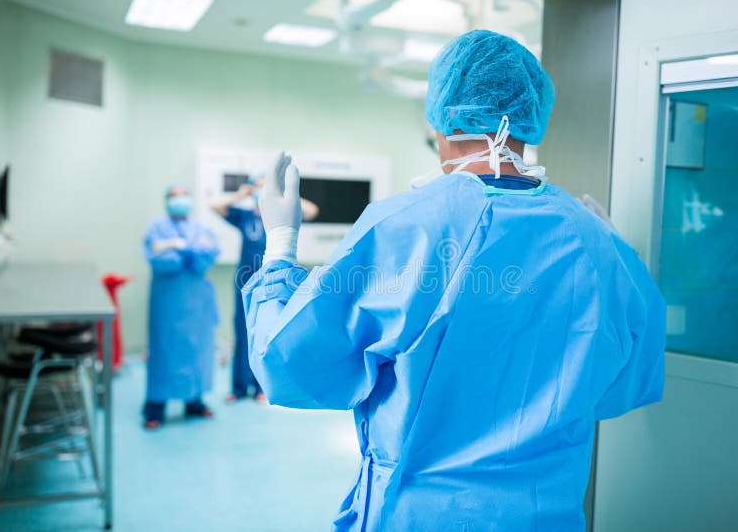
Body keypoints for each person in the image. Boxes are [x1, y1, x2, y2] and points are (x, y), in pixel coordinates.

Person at [242, 30, 666, 531]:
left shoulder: (406, 226)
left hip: (421, 514)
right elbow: (627, 384)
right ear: (530, 121)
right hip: (544, 515)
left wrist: (280, 248)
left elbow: (291, 364)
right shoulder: (596, 241)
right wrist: (618, 257)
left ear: (444, 120)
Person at [211, 177, 319, 403]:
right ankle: (239, 388)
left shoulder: (281, 219)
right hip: (245, 282)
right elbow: (217, 207)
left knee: (268, 334)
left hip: (273, 283)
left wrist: (281, 193)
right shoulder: (244, 216)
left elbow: (311, 210)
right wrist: (243, 193)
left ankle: (262, 387)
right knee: (243, 334)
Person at [142, 183, 220, 430]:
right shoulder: (156, 228)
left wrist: (180, 249)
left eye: (183, 196)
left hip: (197, 304)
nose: (180, 200)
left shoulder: (201, 227)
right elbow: (158, 258)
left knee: (197, 351)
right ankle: (155, 408)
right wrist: (188, 253)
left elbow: (208, 254)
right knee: (164, 352)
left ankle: (194, 402)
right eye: (174, 197)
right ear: (167, 201)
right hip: (168, 303)